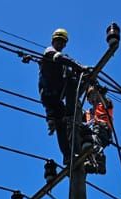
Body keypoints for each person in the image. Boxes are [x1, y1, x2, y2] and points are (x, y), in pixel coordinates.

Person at [37, 28, 85, 163]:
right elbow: (59, 58)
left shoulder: (63, 63)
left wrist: (79, 72)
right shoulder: (49, 52)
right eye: (58, 41)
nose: (60, 44)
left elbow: (67, 70)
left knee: (62, 127)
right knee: (59, 121)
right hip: (49, 93)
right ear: (53, 41)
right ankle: (61, 115)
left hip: (57, 97)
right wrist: (79, 66)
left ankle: (68, 155)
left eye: (62, 42)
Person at [84, 83, 113, 174]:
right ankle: (91, 163)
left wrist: (101, 94)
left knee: (94, 138)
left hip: (102, 129)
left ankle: (100, 163)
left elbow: (106, 103)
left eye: (94, 95)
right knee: (82, 134)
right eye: (90, 97)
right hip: (91, 131)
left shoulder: (103, 104)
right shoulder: (89, 112)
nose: (92, 99)